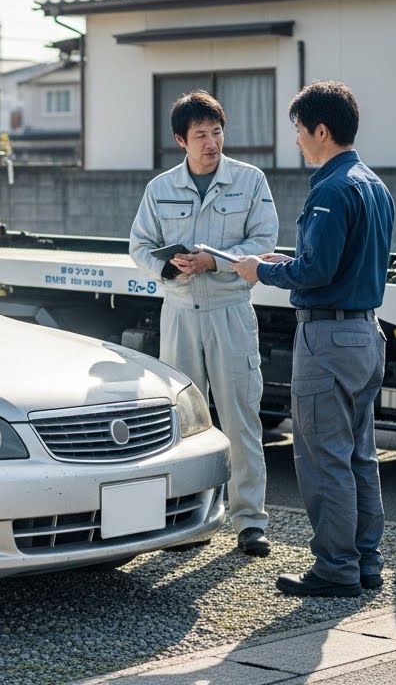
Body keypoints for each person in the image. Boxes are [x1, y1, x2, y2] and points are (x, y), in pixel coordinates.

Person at [231, 80, 395, 597]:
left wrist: (261, 272)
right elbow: (337, 262)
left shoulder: (329, 189)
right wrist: (286, 264)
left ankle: (335, 569)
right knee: (358, 457)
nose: (297, 141)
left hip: (328, 337)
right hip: (367, 332)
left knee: (325, 459)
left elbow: (317, 270)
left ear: (321, 130)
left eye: (299, 131)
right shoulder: (372, 183)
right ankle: (366, 562)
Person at [129, 89, 279, 557]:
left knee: (240, 418)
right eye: (200, 135)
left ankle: (250, 521)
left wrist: (213, 263)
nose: (211, 142)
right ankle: (184, 520)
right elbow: (138, 246)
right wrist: (168, 267)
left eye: (216, 132)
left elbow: (265, 239)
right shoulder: (160, 189)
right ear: (181, 140)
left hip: (230, 312)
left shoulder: (249, 181)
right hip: (178, 314)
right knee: (181, 423)